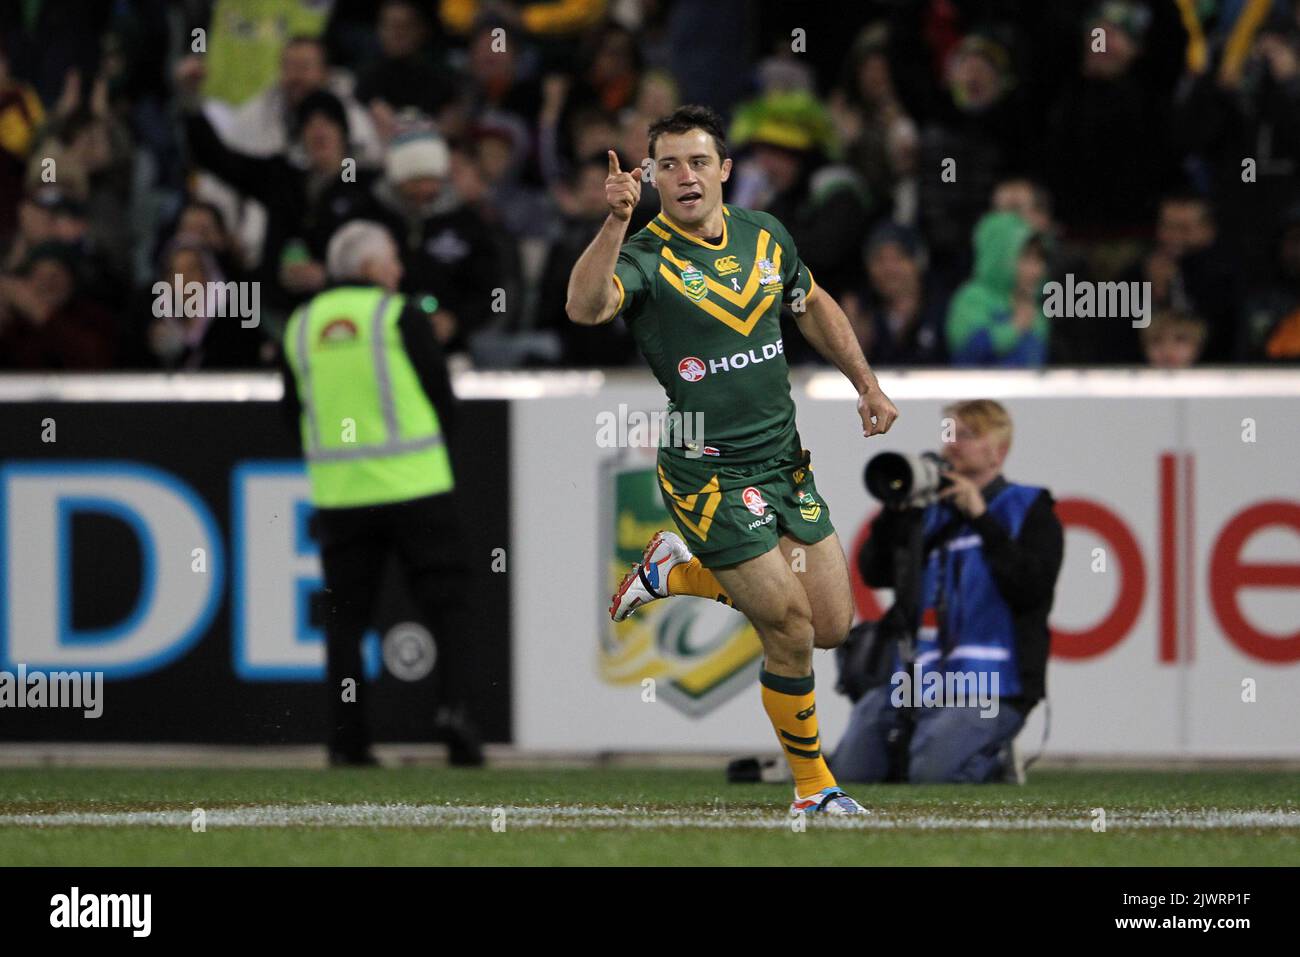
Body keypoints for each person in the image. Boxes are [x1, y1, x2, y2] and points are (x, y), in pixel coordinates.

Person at [566, 105, 899, 815]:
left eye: (695, 161)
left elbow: (810, 305)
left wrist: (865, 383)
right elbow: (585, 307)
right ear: (650, 178)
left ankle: (673, 570)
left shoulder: (764, 233)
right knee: (789, 628)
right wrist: (614, 221)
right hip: (706, 469)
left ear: (724, 170)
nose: (682, 176)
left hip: (782, 460)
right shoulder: (645, 255)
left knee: (833, 625)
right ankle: (816, 790)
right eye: (666, 165)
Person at [279, 220, 480, 767]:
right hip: (417, 487)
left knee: (346, 619)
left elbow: (290, 412)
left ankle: (347, 741)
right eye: (391, 260)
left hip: (341, 497)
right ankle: (455, 715)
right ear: (370, 268)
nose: (397, 269)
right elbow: (443, 396)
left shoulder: (300, 326)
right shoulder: (397, 315)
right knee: (450, 607)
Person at [831, 400, 1063, 784]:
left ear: (999, 450)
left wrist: (981, 519)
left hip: (994, 684)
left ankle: (993, 762)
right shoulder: (927, 512)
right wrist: (895, 511)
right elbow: (875, 572)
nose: (952, 445)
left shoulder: (1030, 508)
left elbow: (1031, 588)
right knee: (853, 772)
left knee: (929, 774)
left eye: (968, 435)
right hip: (917, 680)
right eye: (949, 434)